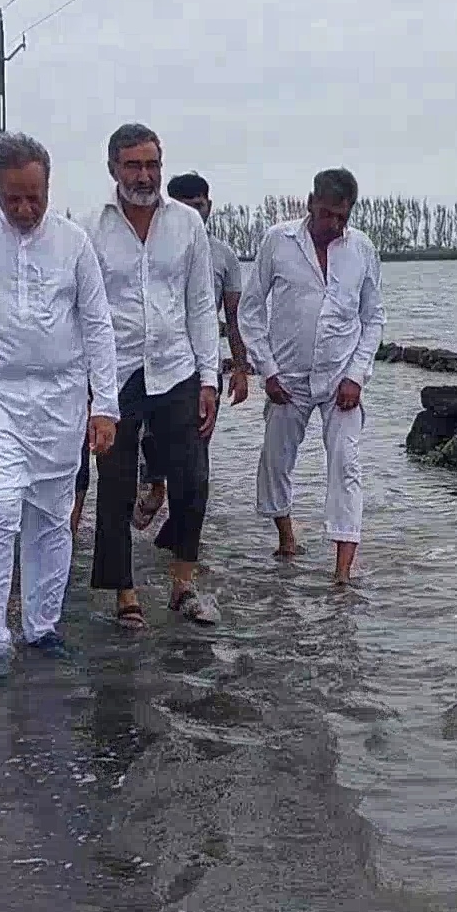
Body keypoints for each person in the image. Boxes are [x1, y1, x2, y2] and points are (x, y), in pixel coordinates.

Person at [0, 132, 118, 676]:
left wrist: (105, 405)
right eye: (13, 198)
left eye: (35, 196)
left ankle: (41, 626)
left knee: (52, 518)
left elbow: (98, 325)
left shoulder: (74, 242)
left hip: (60, 399)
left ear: (48, 185)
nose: (25, 208)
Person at [84, 124, 221, 630]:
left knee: (193, 479)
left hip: (177, 367)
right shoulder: (90, 228)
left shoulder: (187, 224)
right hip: (115, 371)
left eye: (152, 165)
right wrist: (92, 391)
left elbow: (201, 304)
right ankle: (124, 591)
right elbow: (85, 312)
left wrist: (210, 378)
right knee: (116, 485)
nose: (144, 175)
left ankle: (183, 583)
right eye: (133, 165)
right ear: (113, 168)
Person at [236, 168, 385, 584]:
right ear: (309, 204)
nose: (333, 225)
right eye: (325, 214)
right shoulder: (277, 242)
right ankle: (286, 536)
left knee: (346, 464)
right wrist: (266, 368)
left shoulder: (362, 250)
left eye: (342, 216)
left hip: (341, 381)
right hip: (287, 378)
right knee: (275, 459)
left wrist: (357, 374)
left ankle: (342, 572)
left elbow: (373, 319)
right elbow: (250, 309)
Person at [132, 172, 250, 535]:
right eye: (183, 207)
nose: (192, 214)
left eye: (197, 206)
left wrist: (241, 368)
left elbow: (233, 316)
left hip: (202, 366)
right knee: (150, 440)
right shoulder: (152, 245)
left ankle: (182, 533)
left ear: (208, 206)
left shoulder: (224, 255)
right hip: (156, 364)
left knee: (196, 450)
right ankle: (155, 488)